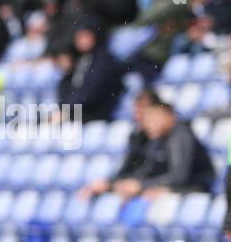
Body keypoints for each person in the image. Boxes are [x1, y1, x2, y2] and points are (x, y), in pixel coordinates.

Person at [78, 94, 214, 201]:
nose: (149, 124)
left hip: (192, 189)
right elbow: (146, 170)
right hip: (174, 188)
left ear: (169, 116)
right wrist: (117, 184)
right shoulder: (154, 138)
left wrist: (142, 185)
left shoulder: (180, 134)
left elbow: (179, 176)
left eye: (153, 119)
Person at [56, 22, 124, 124]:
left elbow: (91, 92)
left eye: (84, 36)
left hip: (96, 116)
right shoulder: (81, 59)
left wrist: (67, 110)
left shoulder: (103, 60)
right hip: (79, 113)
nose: (81, 41)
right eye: (78, 37)